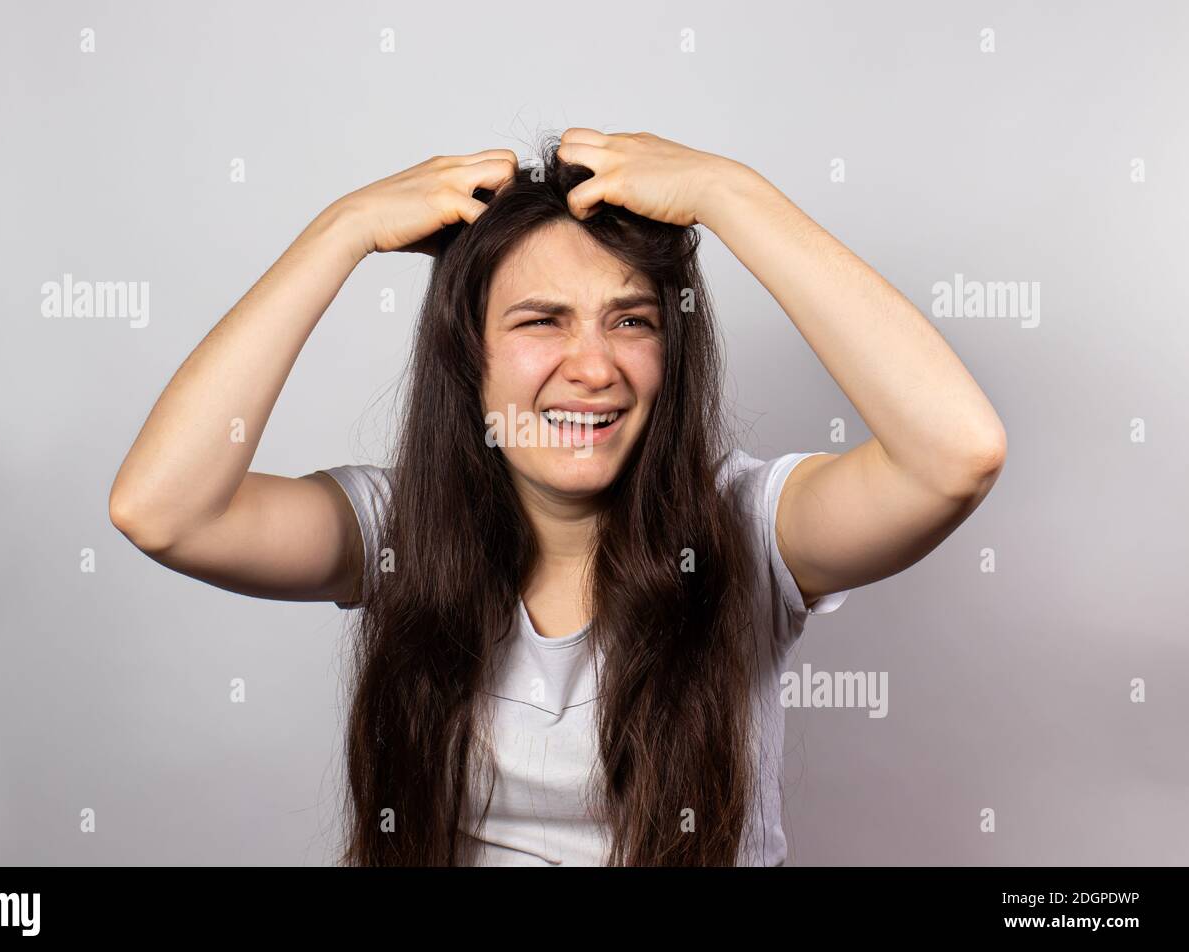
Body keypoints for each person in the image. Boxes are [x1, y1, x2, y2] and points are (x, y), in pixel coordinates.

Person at [109, 128, 1006, 866]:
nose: (593, 366)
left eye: (632, 320)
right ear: (470, 358)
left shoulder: (745, 529)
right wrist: (340, 230)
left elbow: (955, 454)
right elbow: (164, 509)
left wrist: (731, 194)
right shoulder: (401, 530)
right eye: (542, 320)